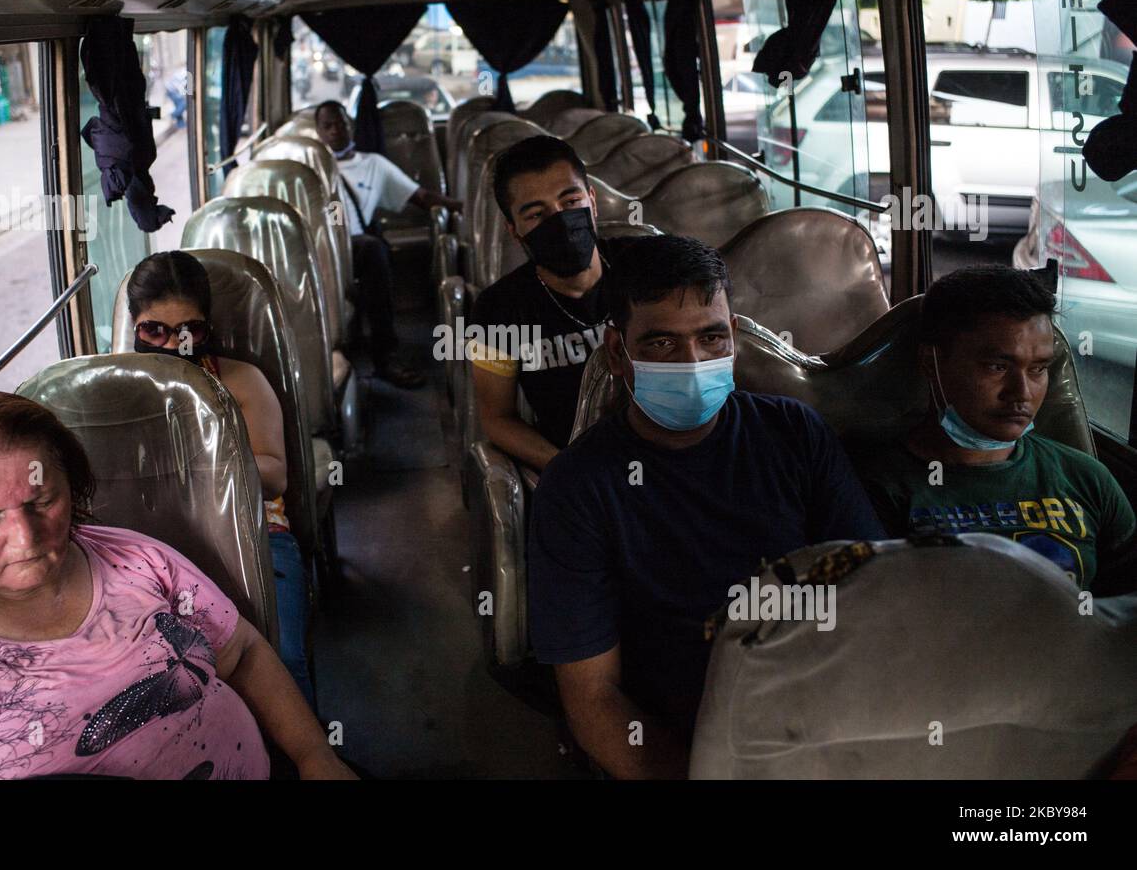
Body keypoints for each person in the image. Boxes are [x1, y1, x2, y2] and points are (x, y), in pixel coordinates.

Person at [0, 392, 354, 780]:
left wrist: (315, 757)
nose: (26, 537)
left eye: (42, 503)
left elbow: (240, 653)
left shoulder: (135, 558)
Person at [527, 234, 886, 779]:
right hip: (681, 733)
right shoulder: (577, 489)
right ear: (617, 353)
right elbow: (594, 699)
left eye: (711, 337)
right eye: (662, 344)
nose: (693, 362)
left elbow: (869, 591)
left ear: (735, 338)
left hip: (821, 708)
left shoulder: (795, 436)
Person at [852, 265, 1137, 594]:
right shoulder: (878, 485)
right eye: (997, 367)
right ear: (932, 363)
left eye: (1038, 369)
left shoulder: (1085, 478)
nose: (1023, 392)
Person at [125, 251, 316, 710]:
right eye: (155, 330)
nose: (172, 346)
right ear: (135, 327)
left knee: (281, 657)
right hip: (147, 555)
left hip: (254, 537)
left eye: (187, 331)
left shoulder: (241, 381)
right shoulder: (113, 396)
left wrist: (210, 460)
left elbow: (274, 476)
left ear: (206, 328)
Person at [468, 135, 632, 472]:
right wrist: (567, 469)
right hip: (577, 463)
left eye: (570, 201)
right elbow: (497, 418)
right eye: (536, 215)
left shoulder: (649, 269)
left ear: (592, 200)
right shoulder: (495, 312)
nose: (559, 220)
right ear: (514, 230)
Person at [313, 100, 463, 389]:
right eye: (327, 125)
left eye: (341, 123)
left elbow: (421, 196)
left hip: (352, 246)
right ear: (318, 131)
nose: (335, 131)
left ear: (351, 125)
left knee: (373, 249)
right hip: (314, 246)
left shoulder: (372, 165)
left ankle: (385, 356)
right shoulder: (308, 167)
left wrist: (463, 205)